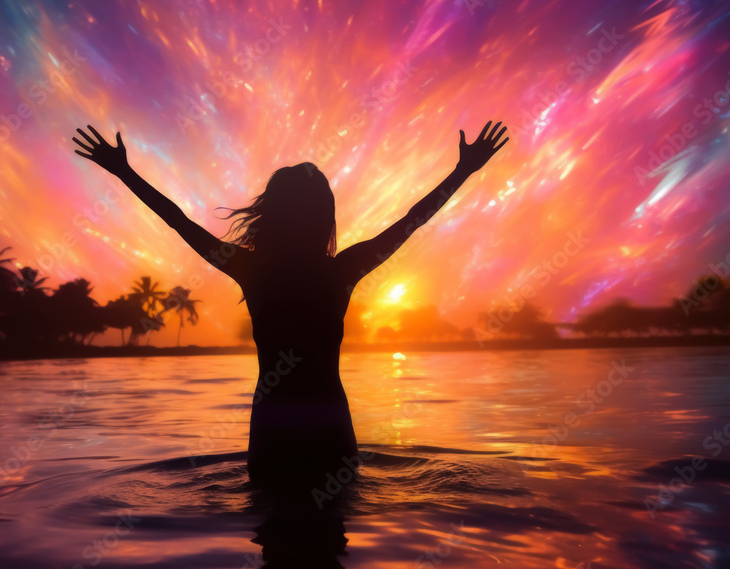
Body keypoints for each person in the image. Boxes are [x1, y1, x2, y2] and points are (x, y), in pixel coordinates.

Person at [72, 121, 508, 486]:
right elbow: (412, 220)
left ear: (274, 214)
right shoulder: (341, 270)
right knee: (331, 556)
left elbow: (180, 222)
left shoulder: (251, 269)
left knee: (276, 559)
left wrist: (124, 173)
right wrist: (462, 171)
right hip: (330, 425)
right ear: (325, 217)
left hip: (272, 428)